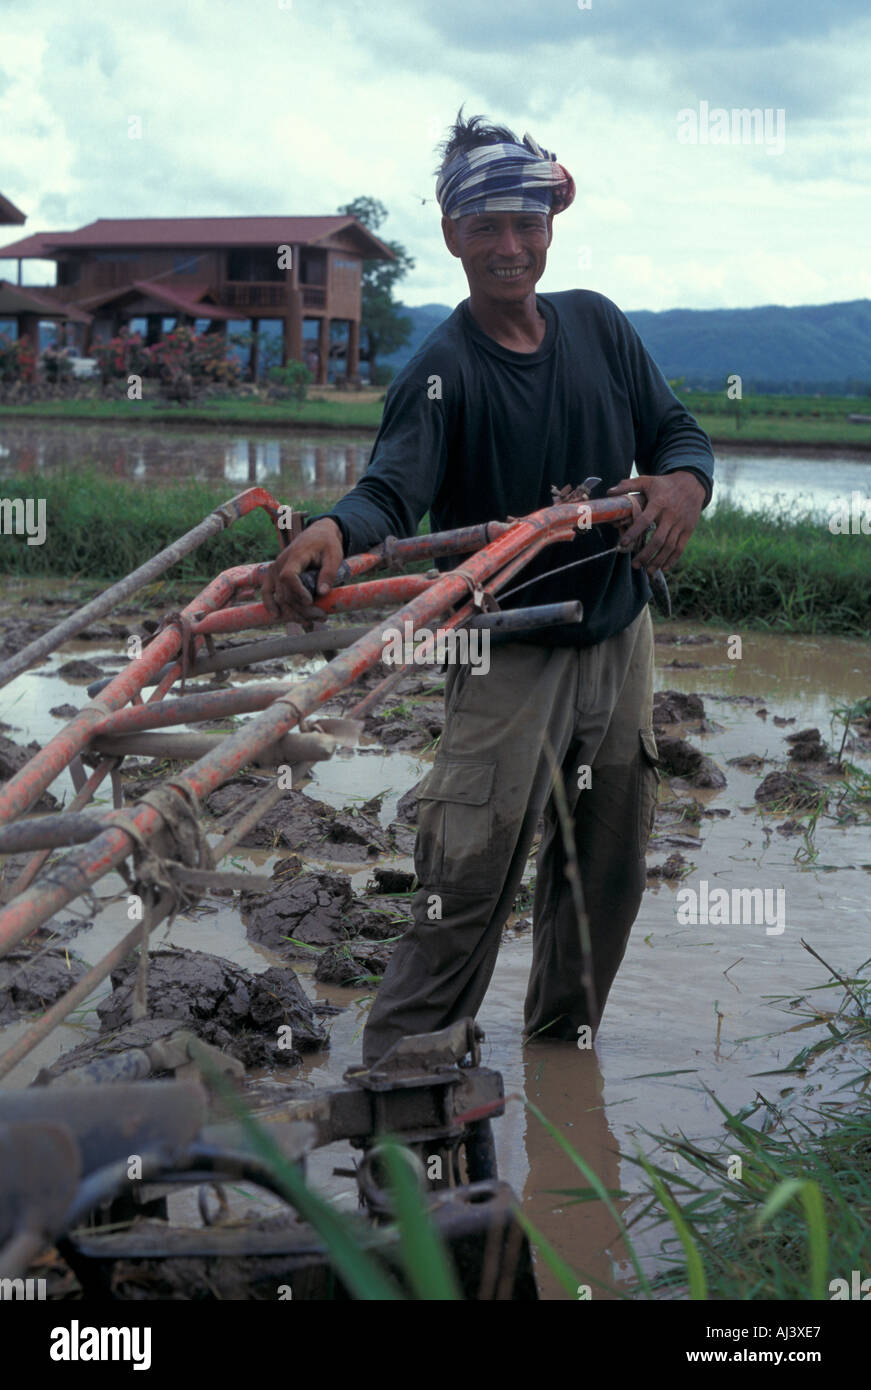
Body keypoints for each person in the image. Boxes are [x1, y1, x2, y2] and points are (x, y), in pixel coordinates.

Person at [262, 112, 715, 1067]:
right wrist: (334, 531)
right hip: (502, 651)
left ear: (550, 221)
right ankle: (402, 1078)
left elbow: (678, 437)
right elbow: (391, 490)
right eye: (486, 228)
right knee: (464, 880)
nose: (509, 248)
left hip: (618, 640)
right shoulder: (443, 369)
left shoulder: (596, 324)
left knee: (606, 870)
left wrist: (682, 486)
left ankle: (562, 1063)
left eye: (526, 222)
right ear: (451, 235)